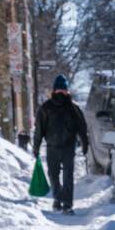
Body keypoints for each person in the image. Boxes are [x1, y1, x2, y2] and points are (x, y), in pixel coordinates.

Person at [32, 75, 88, 214]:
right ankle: (58, 199)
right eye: (59, 90)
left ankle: (67, 204)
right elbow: (39, 129)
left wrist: (85, 143)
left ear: (67, 92)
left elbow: (82, 127)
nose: (61, 93)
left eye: (64, 91)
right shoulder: (46, 108)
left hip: (68, 147)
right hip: (52, 147)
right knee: (53, 175)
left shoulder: (74, 109)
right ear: (54, 91)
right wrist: (36, 147)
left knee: (68, 175)